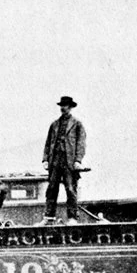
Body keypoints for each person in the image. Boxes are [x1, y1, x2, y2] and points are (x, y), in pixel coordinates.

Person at [41, 96, 86, 225]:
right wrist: (45, 159)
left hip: (69, 162)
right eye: (61, 105)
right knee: (51, 189)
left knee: (70, 189)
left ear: (70, 107)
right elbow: (48, 143)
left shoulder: (77, 124)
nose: (63, 108)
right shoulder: (54, 124)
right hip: (55, 161)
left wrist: (78, 160)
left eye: (65, 105)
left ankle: (72, 218)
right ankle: (49, 217)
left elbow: (81, 144)